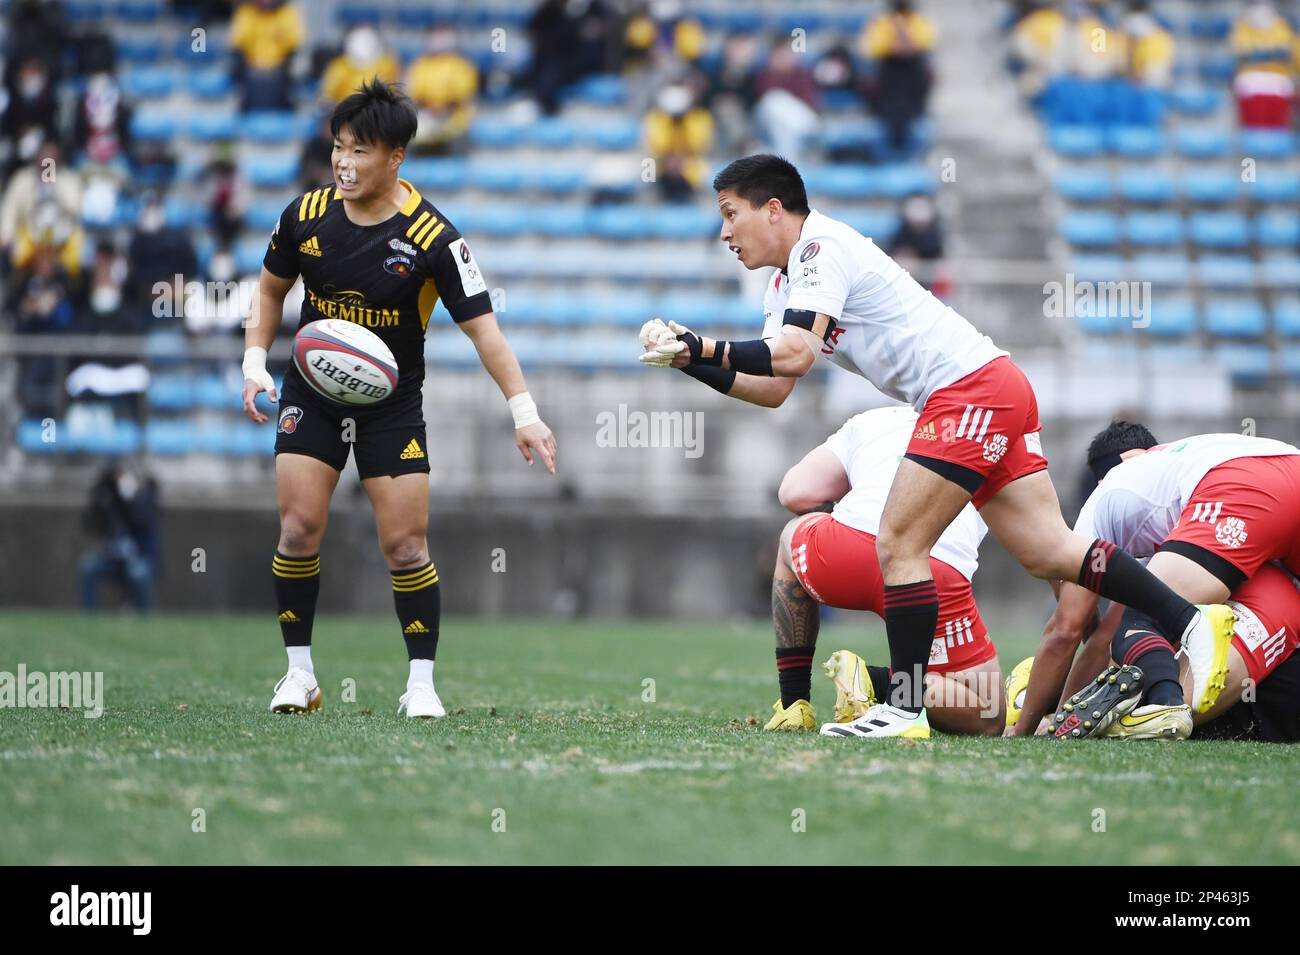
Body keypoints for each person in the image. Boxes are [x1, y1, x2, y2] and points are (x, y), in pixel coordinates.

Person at [637, 154, 1234, 739]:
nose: (723, 232)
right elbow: (773, 388)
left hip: (966, 392)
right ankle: (1190, 623)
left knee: (898, 541)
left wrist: (703, 344)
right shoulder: (786, 279)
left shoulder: (819, 248)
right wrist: (691, 360)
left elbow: (792, 354)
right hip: (990, 385)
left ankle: (903, 709)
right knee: (1050, 551)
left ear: (773, 210)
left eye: (729, 213)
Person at [241, 80, 557, 719]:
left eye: (360, 150)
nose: (344, 162)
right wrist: (253, 365)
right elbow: (270, 292)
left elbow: (484, 330)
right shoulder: (303, 217)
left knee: (406, 546)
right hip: (312, 393)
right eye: (338, 147)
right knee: (299, 529)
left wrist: (524, 412)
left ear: (396, 158)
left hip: (391, 403)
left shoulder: (435, 237)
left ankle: (420, 684)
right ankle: (298, 674)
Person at [1013, 422, 1300, 739]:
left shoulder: (1105, 495)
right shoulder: (1178, 466)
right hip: (1289, 468)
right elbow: (1098, 641)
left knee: (1142, 619)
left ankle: (1167, 705)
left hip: (1242, 487)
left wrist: (1036, 726)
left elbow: (1066, 629)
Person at [763, 406, 1003, 737]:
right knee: (987, 711)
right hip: (936, 573)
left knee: (792, 532)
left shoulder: (873, 419)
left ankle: (794, 705)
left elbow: (794, 493)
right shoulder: (990, 425)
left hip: (845, 553)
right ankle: (878, 681)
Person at [79, 463, 159, 613]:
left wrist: (127, 498)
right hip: (112, 558)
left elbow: (140, 520)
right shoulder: (109, 499)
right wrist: (98, 498)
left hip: (139, 556)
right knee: (87, 567)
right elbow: (90, 525)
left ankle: (145, 615)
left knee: (139, 573)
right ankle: (88, 615)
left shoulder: (143, 497)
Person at [230, 0, 303, 112]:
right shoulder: (245, 13)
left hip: (281, 72)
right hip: (250, 71)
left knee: (295, 70)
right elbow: (239, 45)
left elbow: (293, 45)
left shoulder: (288, 14)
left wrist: (276, 67)